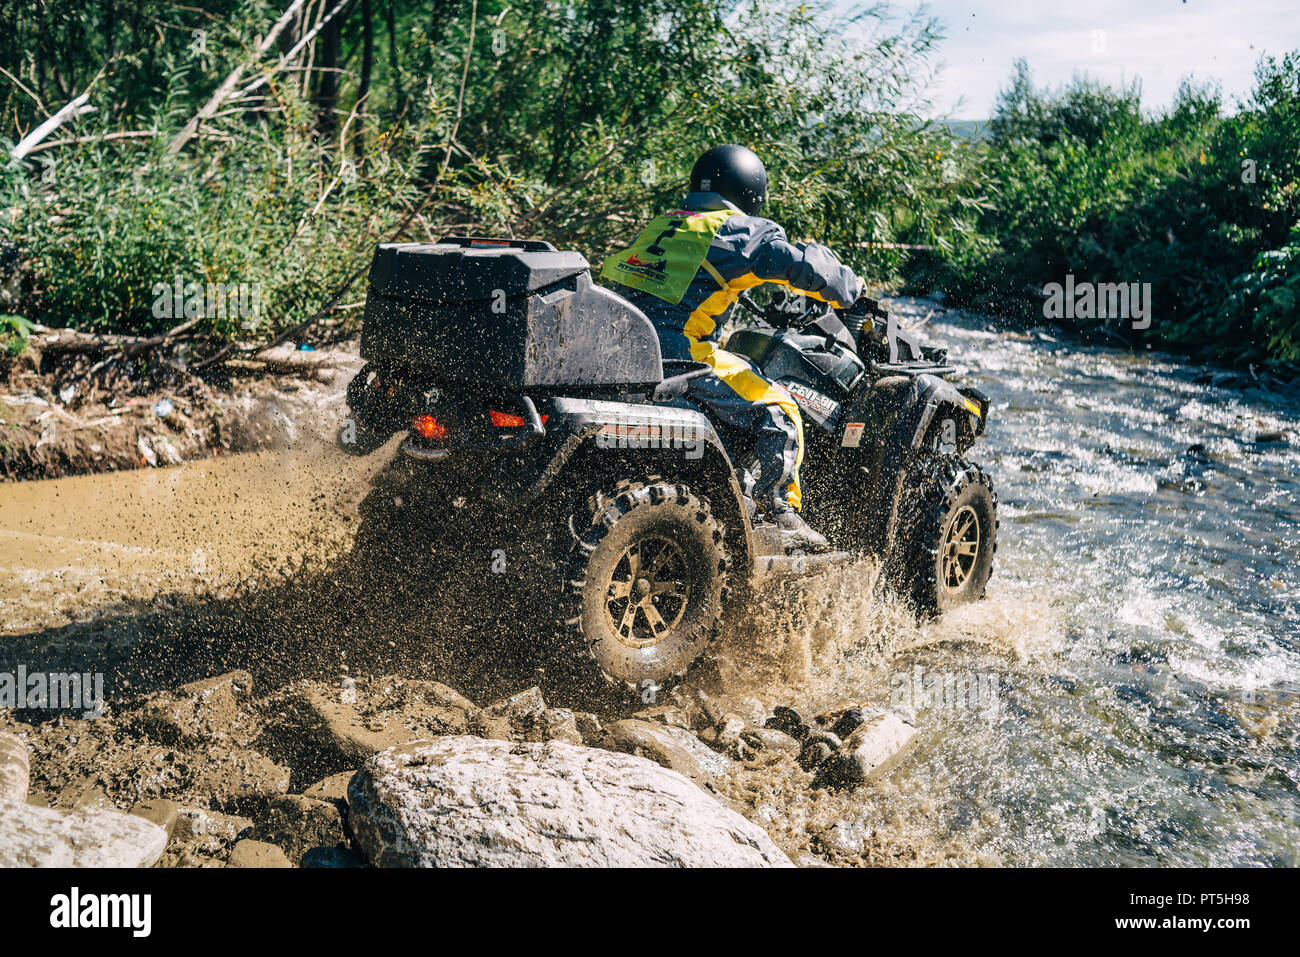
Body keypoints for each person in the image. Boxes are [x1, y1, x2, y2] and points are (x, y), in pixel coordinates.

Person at [601, 144, 862, 551]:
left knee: (727, 357)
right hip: (676, 357)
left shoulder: (662, 225)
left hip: (615, 350)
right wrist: (849, 288)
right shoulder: (734, 229)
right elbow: (799, 266)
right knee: (780, 408)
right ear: (751, 192)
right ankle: (782, 512)